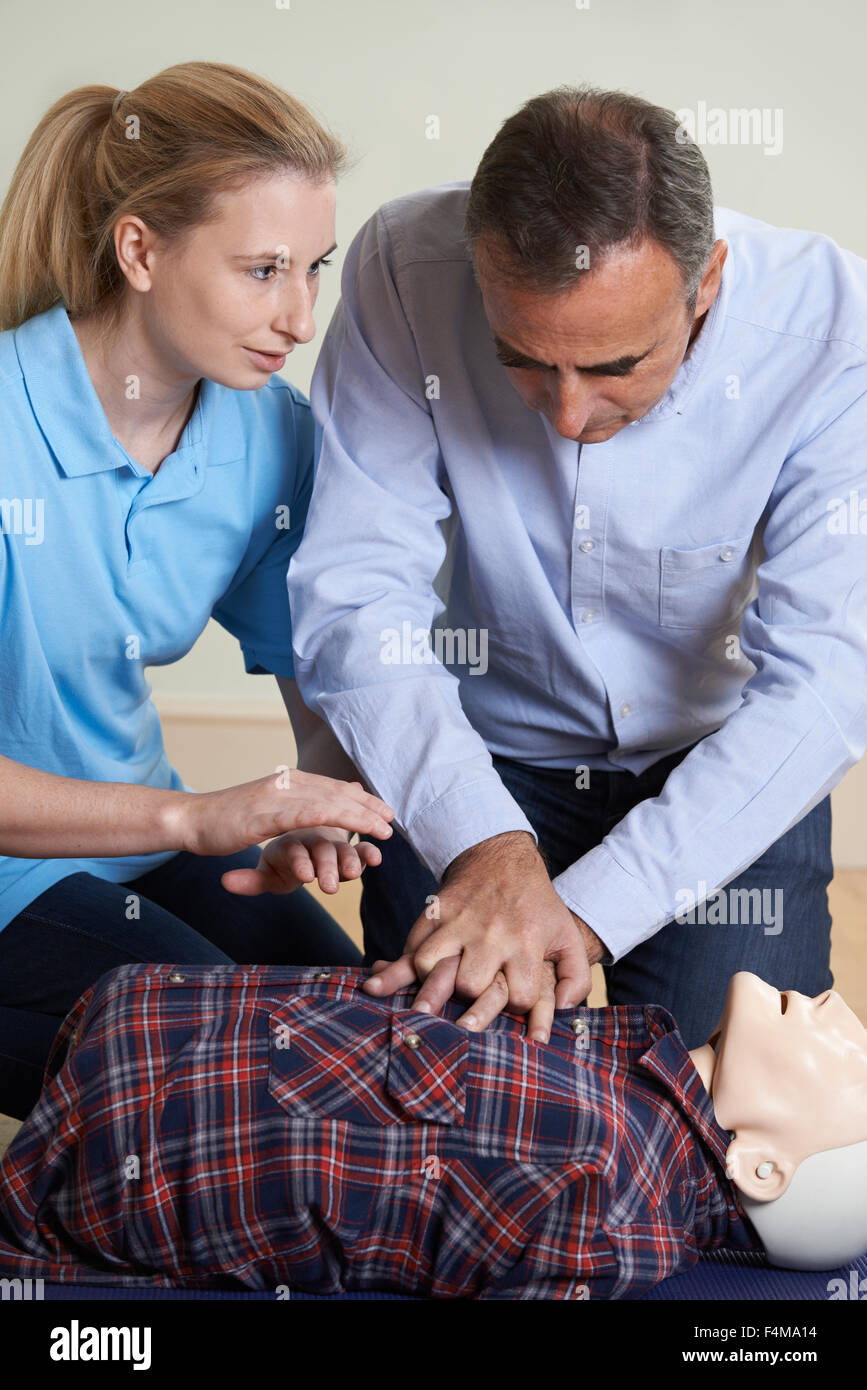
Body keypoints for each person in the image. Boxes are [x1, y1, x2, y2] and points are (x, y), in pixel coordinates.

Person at [285, 84, 867, 1049]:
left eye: (613, 367)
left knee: (733, 1120)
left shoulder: (833, 331)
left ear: (706, 282)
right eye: (520, 360)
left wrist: (580, 913)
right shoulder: (403, 270)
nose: (563, 418)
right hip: (472, 749)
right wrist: (483, 842)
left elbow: (827, 681)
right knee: (446, 1093)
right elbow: (357, 590)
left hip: (719, 758)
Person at [0, 60, 395, 1121]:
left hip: (139, 846)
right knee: (251, 1083)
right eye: (262, 270)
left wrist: (318, 791)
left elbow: (307, 669)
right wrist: (200, 810)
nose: (300, 316)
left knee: (362, 1045)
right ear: (140, 249)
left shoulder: (265, 435)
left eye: (314, 267)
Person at [0, 963, 863, 1298]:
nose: (836, 1008)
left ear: (760, 1169)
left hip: (130, 1116)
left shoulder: (606, 1191)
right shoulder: (625, 1068)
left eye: (851, 1064)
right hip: (152, 1023)